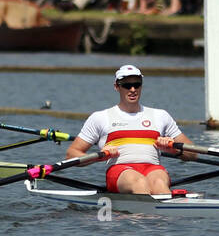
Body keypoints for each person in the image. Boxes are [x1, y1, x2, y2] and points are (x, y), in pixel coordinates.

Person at [64, 65, 193, 195]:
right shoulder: (100, 118)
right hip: (120, 171)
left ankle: (164, 212)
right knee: (139, 182)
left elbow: (193, 153)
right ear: (116, 87)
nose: (132, 89)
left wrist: (173, 150)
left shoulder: (160, 116)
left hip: (152, 168)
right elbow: (72, 154)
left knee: (159, 183)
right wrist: (99, 157)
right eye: (126, 85)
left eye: (137, 84)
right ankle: (151, 212)